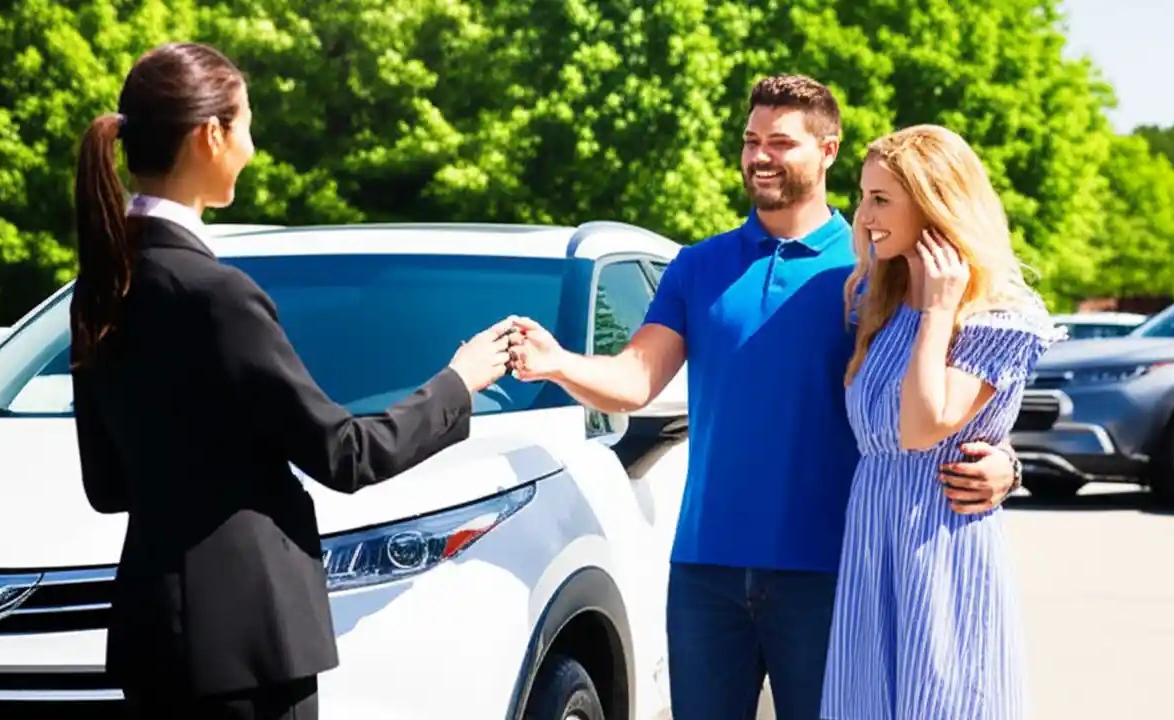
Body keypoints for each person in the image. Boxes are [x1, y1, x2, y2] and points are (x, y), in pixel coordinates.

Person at [505, 75, 1022, 719]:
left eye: (780, 141)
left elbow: (947, 377)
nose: (759, 156)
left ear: (829, 150)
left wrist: (1004, 460)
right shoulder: (698, 266)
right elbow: (636, 379)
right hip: (705, 569)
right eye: (751, 140)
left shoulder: (874, 269)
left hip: (834, 567)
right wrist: (557, 363)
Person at [69, 42, 513, 719]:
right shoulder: (216, 294)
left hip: (155, 637)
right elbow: (346, 453)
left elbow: (107, 486)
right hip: (247, 643)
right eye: (245, 125)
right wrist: (459, 381)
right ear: (211, 134)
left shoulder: (103, 289)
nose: (251, 145)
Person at [818, 125, 1062, 720]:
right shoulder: (880, 295)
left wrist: (939, 311)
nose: (863, 214)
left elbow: (924, 427)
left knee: (945, 701)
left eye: (881, 199)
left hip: (940, 546)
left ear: (932, 201)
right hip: (873, 540)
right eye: (863, 195)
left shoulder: (997, 312)